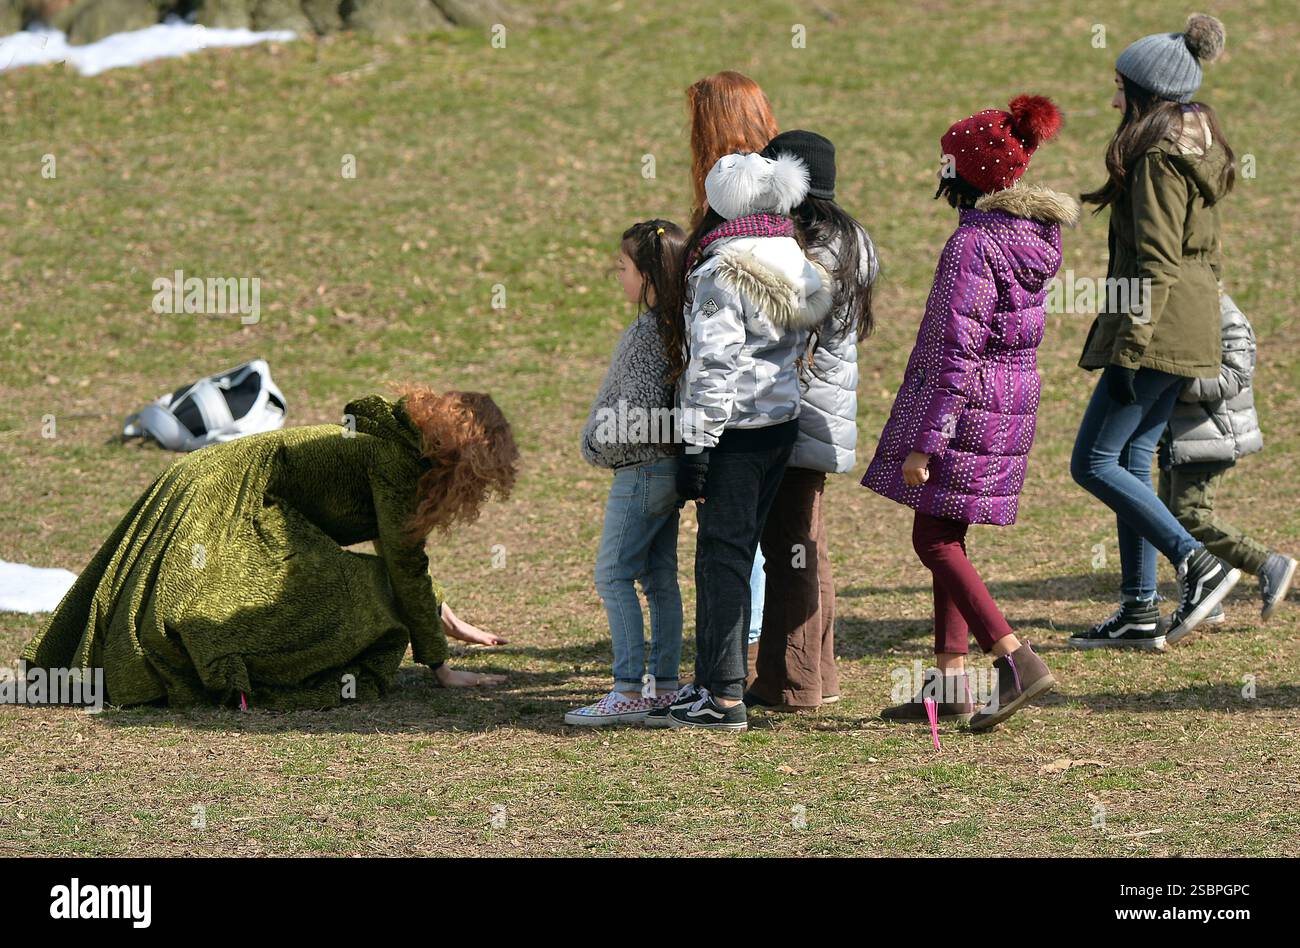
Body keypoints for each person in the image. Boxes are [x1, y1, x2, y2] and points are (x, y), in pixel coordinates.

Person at [22, 388, 517, 708]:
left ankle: (217, 671)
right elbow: (404, 565)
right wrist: (440, 666)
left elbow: (402, 556)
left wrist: (439, 611)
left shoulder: (403, 452)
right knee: (344, 590)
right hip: (221, 491)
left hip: (220, 482)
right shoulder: (397, 463)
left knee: (343, 584)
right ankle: (215, 676)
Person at [865, 95, 1074, 732]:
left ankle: (1014, 659)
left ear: (968, 174)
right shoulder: (1029, 237)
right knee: (946, 533)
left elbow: (958, 351)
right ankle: (949, 685)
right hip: (1006, 404)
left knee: (931, 540)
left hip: (968, 408)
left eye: (946, 164)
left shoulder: (972, 245)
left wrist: (927, 441)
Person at [1069, 14, 1241, 650]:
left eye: (1120, 88)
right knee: (1131, 461)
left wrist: (1130, 348)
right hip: (1186, 325)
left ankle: (1198, 562)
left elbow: (1157, 263)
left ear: (1144, 93)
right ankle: (1139, 609)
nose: (1113, 100)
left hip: (1158, 328)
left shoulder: (1156, 158)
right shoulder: (1192, 146)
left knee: (1092, 462)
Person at [646, 150, 832, 731]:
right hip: (780, 423)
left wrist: (696, 446)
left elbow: (713, 363)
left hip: (733, 431)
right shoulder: (793, 254)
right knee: (741, 551)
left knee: (721, 557)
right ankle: (712, 681)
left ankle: (722, 694)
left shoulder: (721, 269)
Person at [744, 129, 878, 713]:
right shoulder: (849, 240)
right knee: (807, 545)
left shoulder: (808, 252)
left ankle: (789, 681)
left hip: (796, 414)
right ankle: (818, 673)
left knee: (789, 548)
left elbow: (780, 327)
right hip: (824, 413)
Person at [565, 219, 690, 726]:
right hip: (669, 471)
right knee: (659, 577)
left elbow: (637, 414)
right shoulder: (680, 324)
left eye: (623, 268)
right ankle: (664, 685)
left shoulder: (645, 332)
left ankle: (629, 688)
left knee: (614, 575)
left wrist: (596, 443)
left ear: (648, 276)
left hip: (641, 472)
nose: (618, 276)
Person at [685, 70, 781, 681]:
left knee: (729, 542)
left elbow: (717, 354)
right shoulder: (777, 213)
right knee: (760, 537)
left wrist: (697, 441)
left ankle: (724, 680)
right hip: (783, 407)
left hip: (737, 416)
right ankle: (758, 662)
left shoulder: (728, 226)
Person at [1157, 292, 1296, 624]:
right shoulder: (1182, 304)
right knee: (1167, 518)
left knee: (1191, 515)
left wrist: (1177, 380)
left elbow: (1235, 375)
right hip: (1183, 435)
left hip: (1211, 435)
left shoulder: (1224, 313)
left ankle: (1268, 563)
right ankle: (1209, 594)